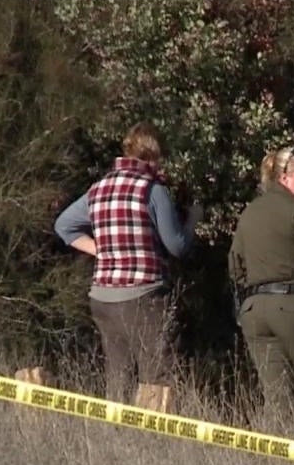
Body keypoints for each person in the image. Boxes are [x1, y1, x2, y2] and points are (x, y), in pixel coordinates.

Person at [54, 121, 203, 412]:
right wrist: (193, 218)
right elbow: (177, 246)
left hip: (102, 296)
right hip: (142, 295)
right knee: (157, 375)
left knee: (118, 375)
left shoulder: (98, 189)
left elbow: (64, 226)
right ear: (155, 154)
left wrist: (102, 250)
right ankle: (153, 441)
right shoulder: (152, 190)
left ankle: (114, 438)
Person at [228, 145, 294, 433]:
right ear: (285, 177)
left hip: (253, 311)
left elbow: (234, 262)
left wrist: (246, 296)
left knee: (277, 397)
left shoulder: (250, 211)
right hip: (293, 305)